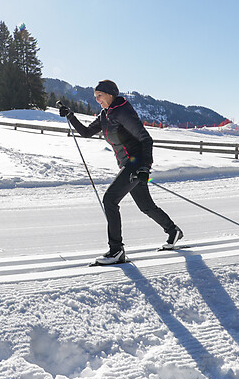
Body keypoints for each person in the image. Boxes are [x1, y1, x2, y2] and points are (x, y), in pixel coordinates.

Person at [59, 80, 183, 264]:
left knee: (110, 199)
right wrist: (71, 116)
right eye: (95, 97)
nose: (97, 100)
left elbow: (146, 139)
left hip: (136, 163)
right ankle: (174, 231)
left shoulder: (122, 111)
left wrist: (145, 168)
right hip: (128, 165)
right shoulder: (105, 115)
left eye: (100, 96)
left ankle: (116, 250)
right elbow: (86, 132)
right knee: (146, 205)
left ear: (110, 94)